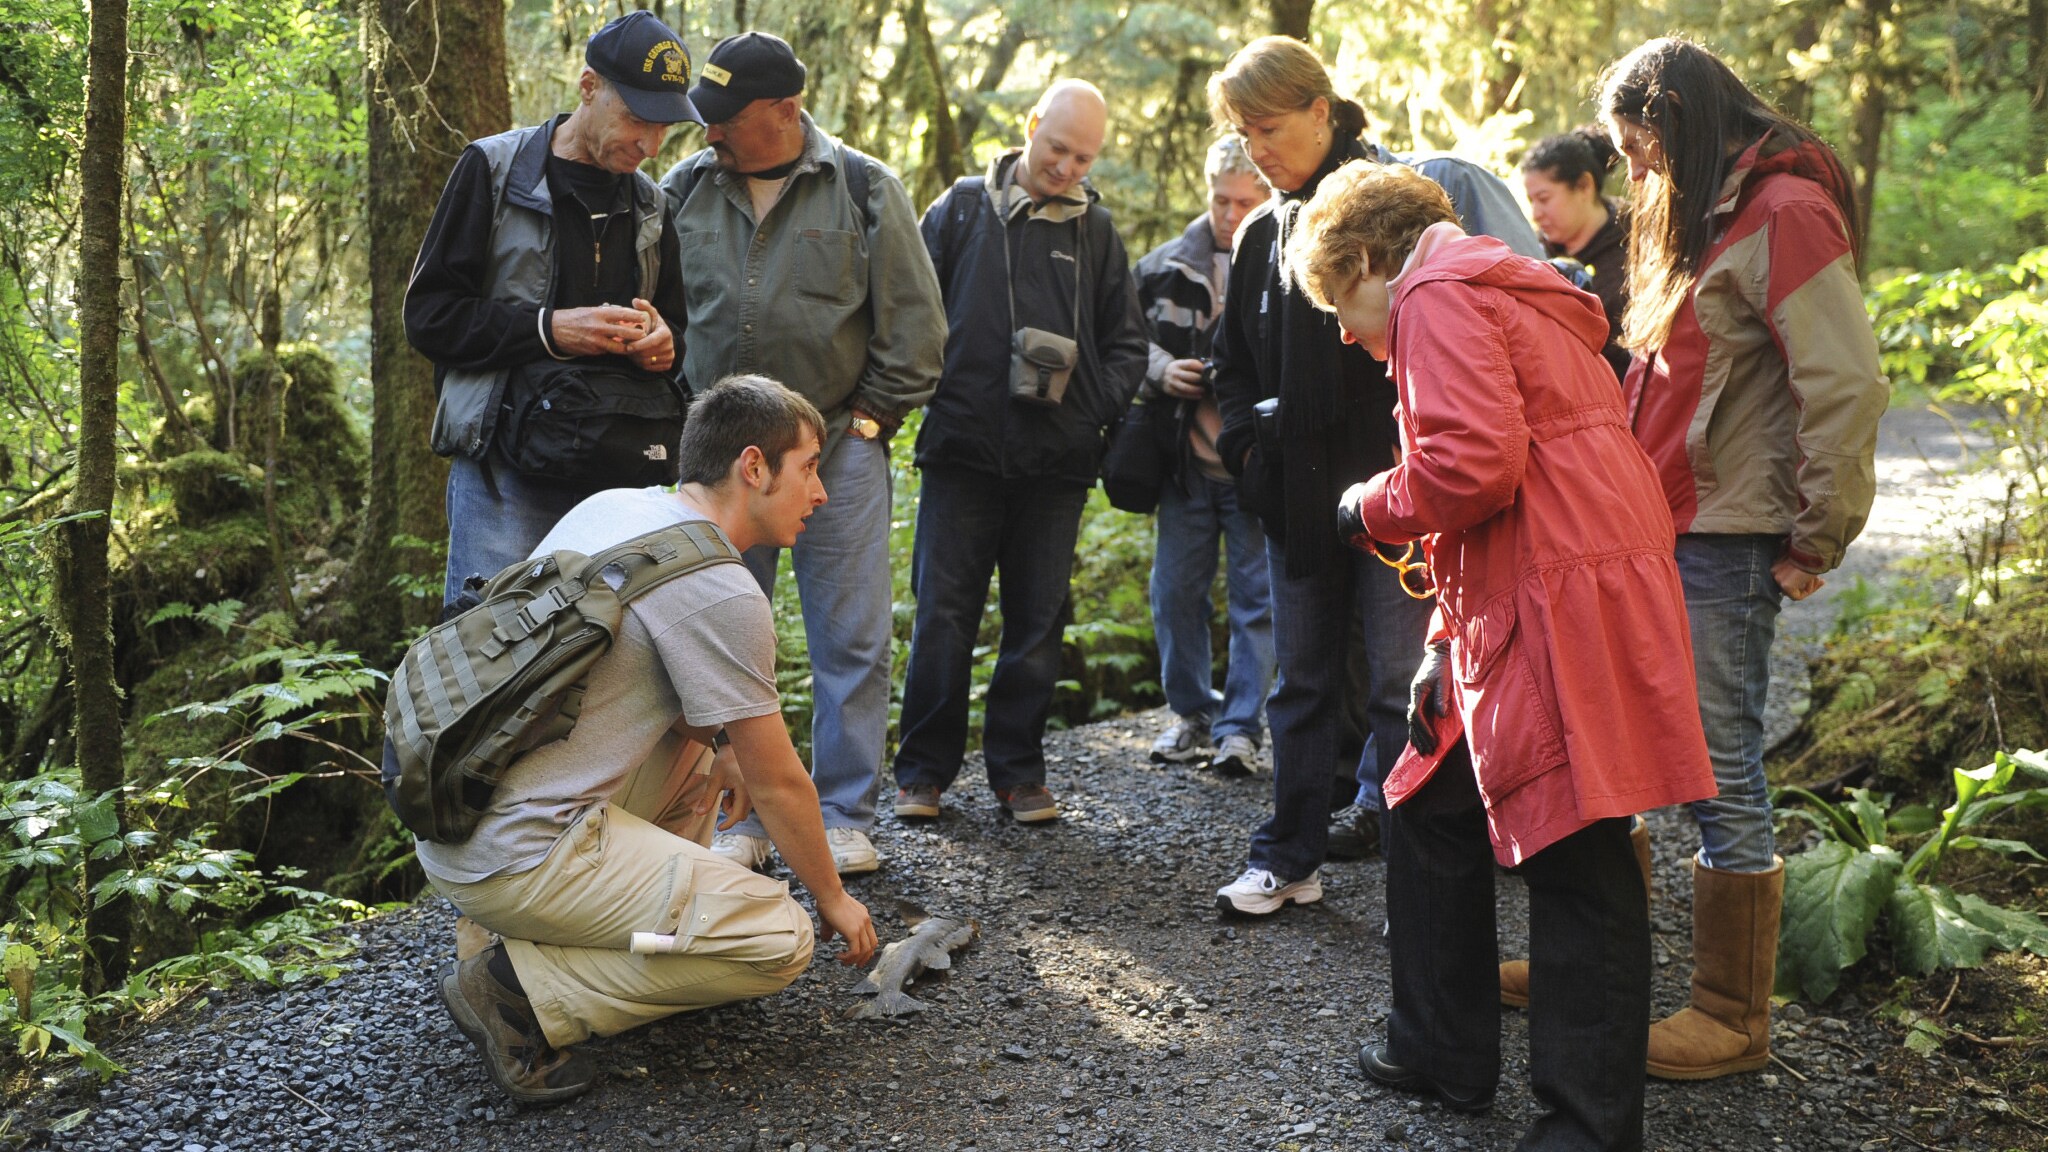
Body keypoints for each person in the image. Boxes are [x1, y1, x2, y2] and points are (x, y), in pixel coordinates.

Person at [1291, 159, 1716, 1150]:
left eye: (1339, 307)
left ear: (1363, 260)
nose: (1350, 339)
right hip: (1546, 581)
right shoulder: (1491, 285)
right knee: (1423, 799)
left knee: (1579, 853)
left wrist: (1368, 504)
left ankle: (1587, 1122)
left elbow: (1470, 466)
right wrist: (1443, 638)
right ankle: (1438, 1048)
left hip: (1559, 591)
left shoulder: (1435, 292)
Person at [419, 375, 879, 1106]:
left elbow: (611, 681)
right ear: (753, 467)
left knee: (702, 755)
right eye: (811, 466)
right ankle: (523, 991)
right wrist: (832, 899)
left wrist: (723, 746)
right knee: (777, 939)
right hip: (523, 857)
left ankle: (515, 935)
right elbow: (781, 781)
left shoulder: (615, 508)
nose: (820, 493)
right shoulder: (723, 587)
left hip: (462, 824)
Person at [1587, 37, 1887, 1081]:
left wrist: (1815, 537)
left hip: (1726, 538)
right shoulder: (1709, 213)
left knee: (1717, 767)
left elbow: (1843, 383)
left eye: (1638, 149)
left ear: (1681, 125)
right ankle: (1601, 968)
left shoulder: (1785, 212)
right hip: (1656, 528)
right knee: (1620, 746)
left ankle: (1729, 1015)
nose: (1634, 175)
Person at [1204, 36, 1544, 915]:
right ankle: (1288, 854)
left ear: (1322, 109)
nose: (1257, 150)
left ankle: (1421, 871)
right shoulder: (1261, 232)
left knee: (1410, 685)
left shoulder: (1389, 210)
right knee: (1301, 682)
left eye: (1268, 128)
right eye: (1242, 135)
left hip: (1402, 499)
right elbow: (1230, 363)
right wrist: (1248, 454)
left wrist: (1418, 477)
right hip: (1297, 503)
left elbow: (1455, 344)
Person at [658, 32, 947, 877]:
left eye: (727, 119)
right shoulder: (682, 190)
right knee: (714, 639)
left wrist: (866, 423)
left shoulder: (863, 187)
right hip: (715, 463)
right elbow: (660, 317)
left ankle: (846, 813)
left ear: (785, 111)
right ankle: (734, 819)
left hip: (834, 451)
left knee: (849, 637)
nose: (708, 133)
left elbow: (917, 330)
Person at [892, 80, 1149, 824]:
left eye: (1084, 157)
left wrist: (1089, 414)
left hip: (1056, 468)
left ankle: (1018, 773)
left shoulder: (1096, 234)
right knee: (943, 616)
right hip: (962, 453)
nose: (1068, 168)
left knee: (1037, 622)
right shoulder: (962, 209)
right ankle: (923, 774)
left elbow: (1130, 345)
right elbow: (911, 309)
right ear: (1030, 128)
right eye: (1058, 149)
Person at [408, 11, 697, 607]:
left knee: (602, 658)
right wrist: (549, 330)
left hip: (616, 476)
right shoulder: (492, 170)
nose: (650, 145)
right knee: (488, 644)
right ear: (589, 87)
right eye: (637, 118)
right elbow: (430, 316)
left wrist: (663, 346)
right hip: (505, 470)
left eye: (664, 127)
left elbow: (675, 339)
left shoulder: (652, 205)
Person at [1133, 136, 1276, 777]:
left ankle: (1241, 729)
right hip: (1184, 463)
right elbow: (1123, 341)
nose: (1231, 213)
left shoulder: (1288, 259)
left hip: (1252, 467)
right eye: (1222, 200)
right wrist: (1165, 371)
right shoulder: (1164, 266)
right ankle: (1191, 712)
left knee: (1256, 600)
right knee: (1174, 594)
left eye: (1246, 202)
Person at [1522, 127, 1632, 381]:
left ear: (1584, 186)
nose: (1536, 213)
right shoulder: (1532, 254)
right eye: (1531, 201)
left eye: (1544, 198)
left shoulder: (1636, 247)